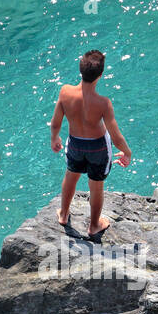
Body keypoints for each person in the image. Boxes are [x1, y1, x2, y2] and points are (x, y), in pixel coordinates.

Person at [49, 50, 131, 238]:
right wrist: (127, 152)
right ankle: (94, 225)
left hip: (75, 144)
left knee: (71, 175)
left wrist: (55, 138)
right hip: (98, 147)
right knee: (96, 185)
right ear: (100, 75)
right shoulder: (103, 103)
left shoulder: (65, 92)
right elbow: (116, 136)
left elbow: (56, 122)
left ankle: (63, 214)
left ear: (81, 70)